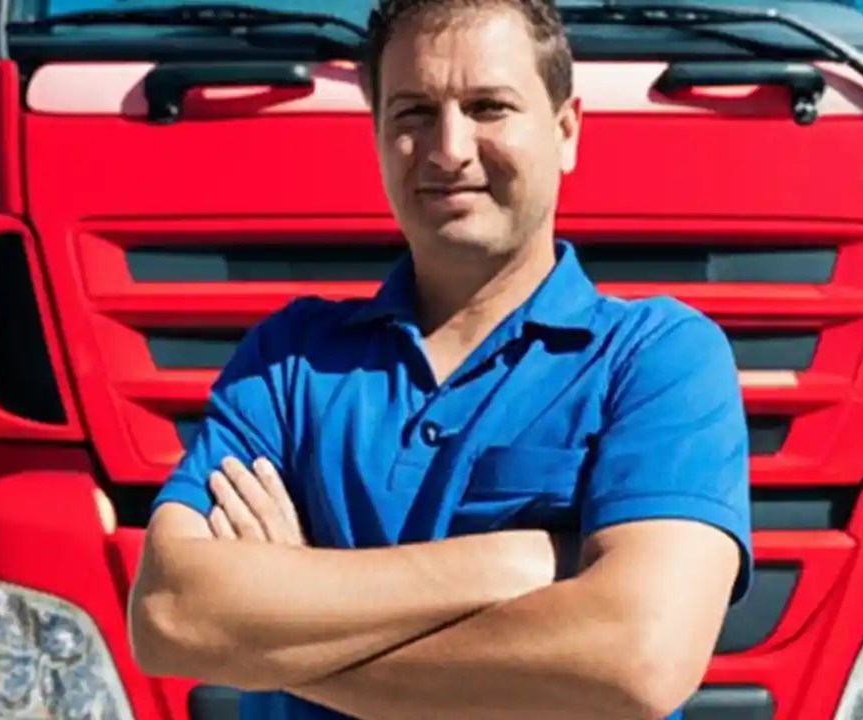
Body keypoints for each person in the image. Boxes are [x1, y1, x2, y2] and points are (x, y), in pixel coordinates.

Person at [127, 0, 753, 718]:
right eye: (413, 112)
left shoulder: (658, 358)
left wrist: (276, 629)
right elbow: (171, 615)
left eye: (488, 106)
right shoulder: (287, 359)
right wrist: (514, 562)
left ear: (566, 129)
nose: (448, 148)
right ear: (375, 134)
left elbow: (639, 658)